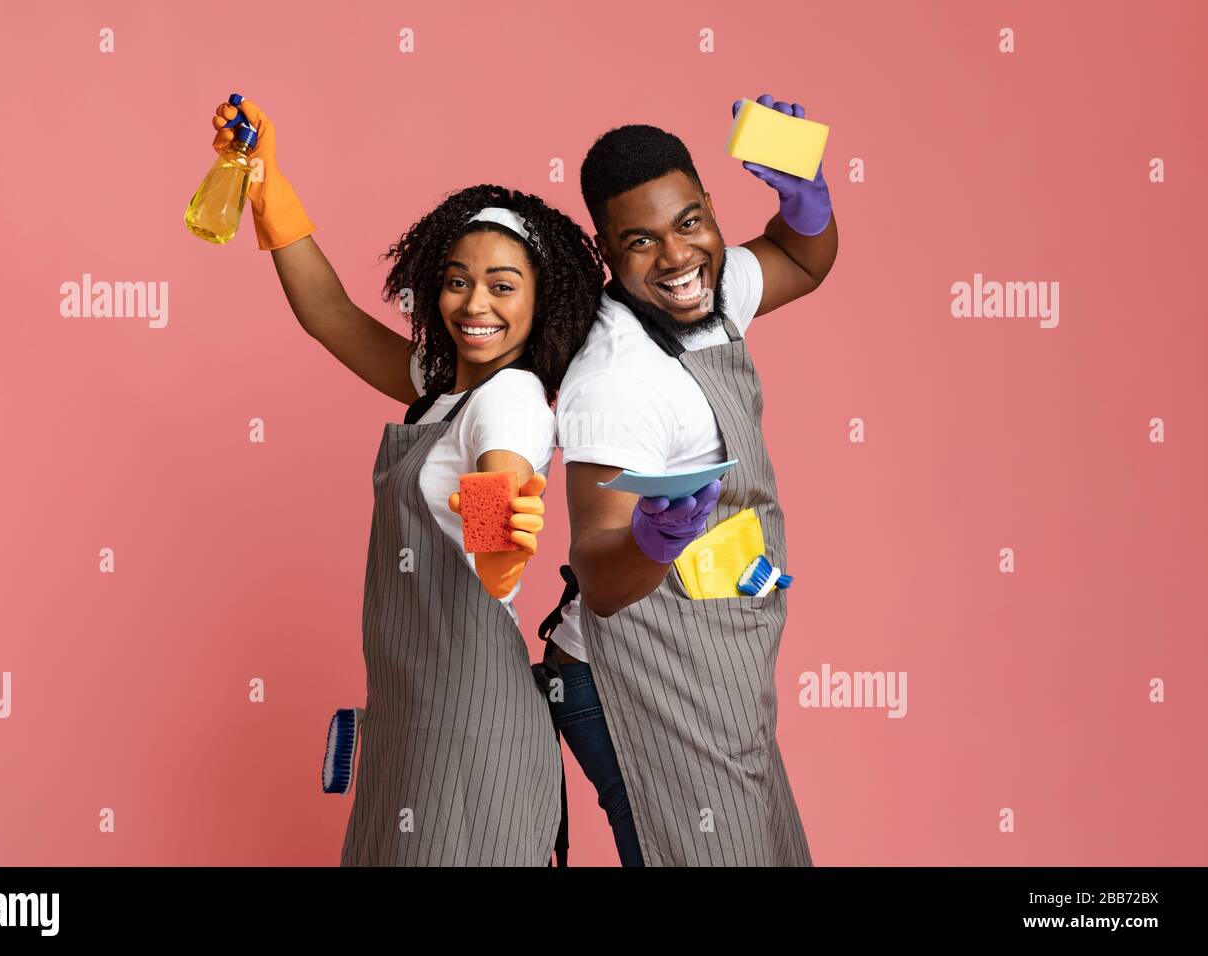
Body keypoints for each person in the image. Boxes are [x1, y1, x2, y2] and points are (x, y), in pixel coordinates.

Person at [208, 98, 605, 866]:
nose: (474, 304)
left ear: (540, 299)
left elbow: (505, 471)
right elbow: (331, 316)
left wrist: (499, 546)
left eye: (501, 285)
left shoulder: (510, 398)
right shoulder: (441, 384)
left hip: (469, 728)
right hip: (409, 719)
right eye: (457, 282)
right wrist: (268, 188)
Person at [542, 96, 839, 866]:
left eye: (688, 223)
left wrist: (805, 198)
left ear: (710, 209)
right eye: (641, 241)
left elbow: (803, 260)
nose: (675, 257)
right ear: (607, 250)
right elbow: (602, 576)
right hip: (632, 680)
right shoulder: (615, 381)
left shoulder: (711, 293)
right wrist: (651, 536)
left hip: (715, 667)